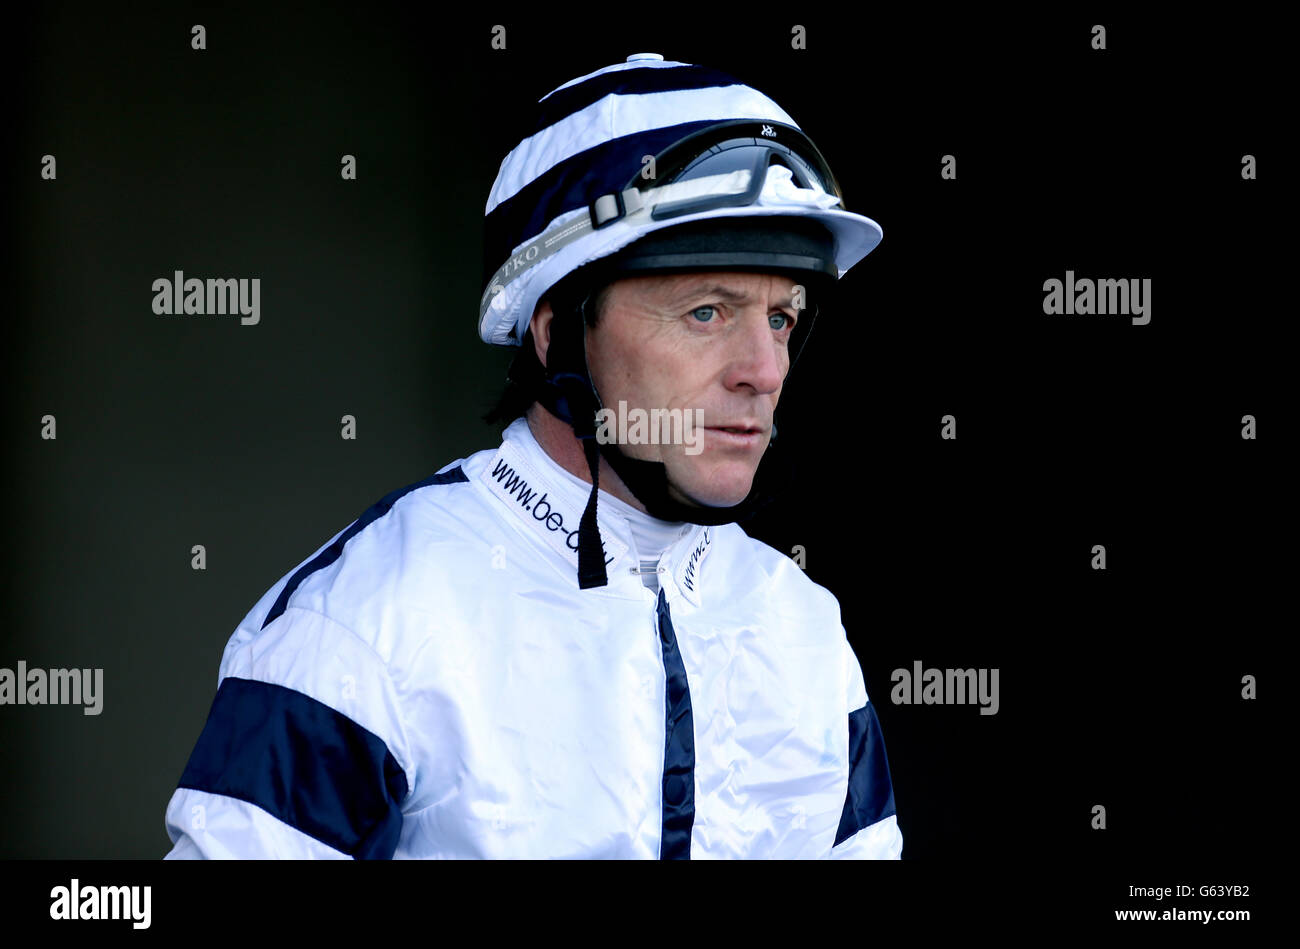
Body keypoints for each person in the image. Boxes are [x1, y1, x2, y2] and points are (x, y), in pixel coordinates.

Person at [162, 53, 902, 859]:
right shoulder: (366, 620)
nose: (763, 370)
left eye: (783, 318)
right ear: (555, 332)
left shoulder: (804, 630)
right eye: (704, 310)